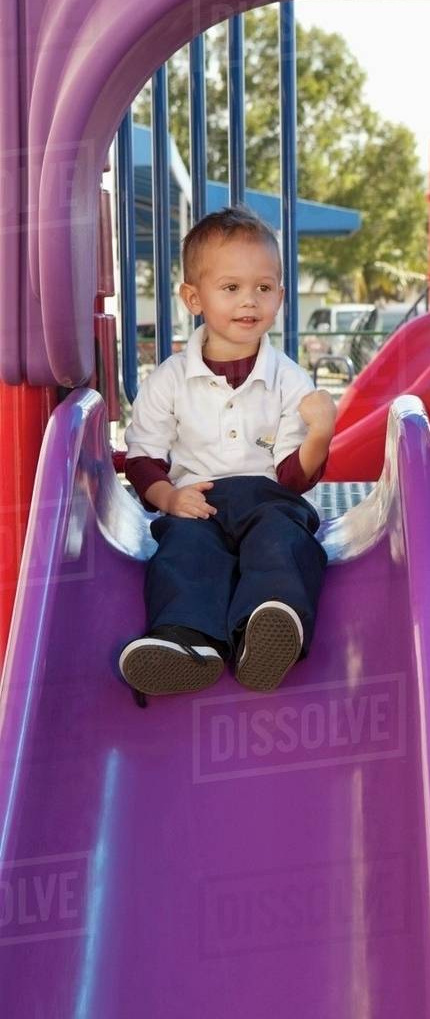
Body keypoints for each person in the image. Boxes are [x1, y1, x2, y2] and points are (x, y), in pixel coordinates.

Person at [119, 206, 335, 695]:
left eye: (264, 287)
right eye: (231, 288)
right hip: (197, 501)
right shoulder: (170, 379)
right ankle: (186, 643)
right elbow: (142, 457)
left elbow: (291, 479)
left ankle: (269, 626)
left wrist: (319, 435)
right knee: (184, 553)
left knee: (282, 541)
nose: (249, 301)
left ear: (280, 294)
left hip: (268, 498)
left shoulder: (290, 380)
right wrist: (169, 499)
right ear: (194, 298)